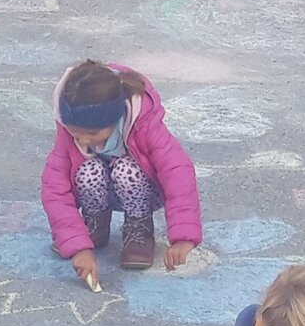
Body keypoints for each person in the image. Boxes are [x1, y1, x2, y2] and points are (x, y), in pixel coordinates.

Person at [42, 59, 202, 282]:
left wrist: (183, 237)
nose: (83, 139)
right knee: (88, 171)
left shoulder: (145, 125)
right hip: (101, 189)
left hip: (142, 189)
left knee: (126, 169)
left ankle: (139, 227)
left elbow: (178, 174)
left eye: (92, 133)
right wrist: (77, 246)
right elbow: (54, 189)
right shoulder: (71, 132)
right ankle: (95, 225)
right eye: (75, 132)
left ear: (114, 120)